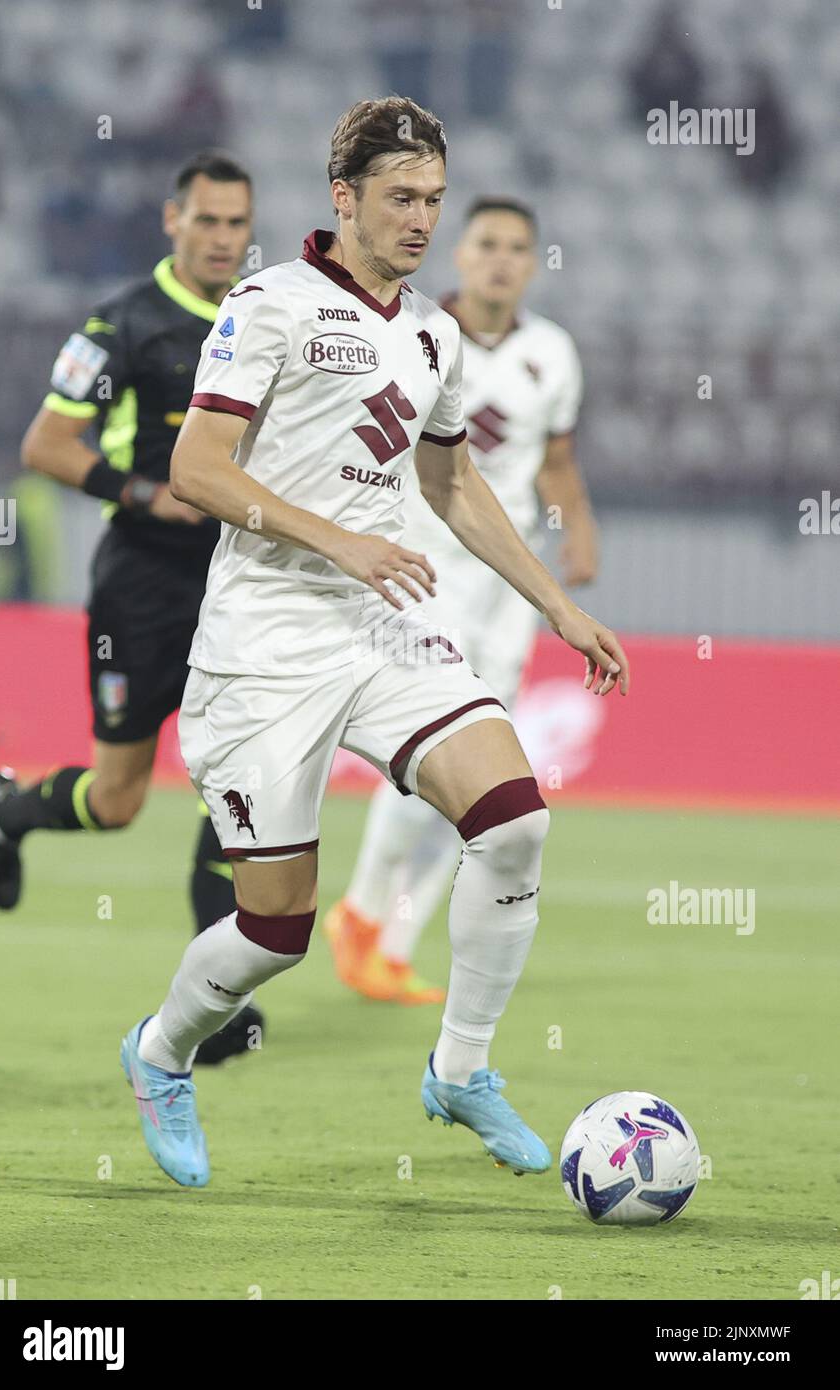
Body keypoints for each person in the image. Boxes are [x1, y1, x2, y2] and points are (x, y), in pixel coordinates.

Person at [119, 97, 628, 1189]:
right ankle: (160, 1052)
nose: (421, 219)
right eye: (400, 197)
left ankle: (460, 1068)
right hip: (267, 643)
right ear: (342, 196)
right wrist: (336, 538)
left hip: (388, 627)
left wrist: (554, 604)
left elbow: (449, 480)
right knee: (274, 932)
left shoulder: (434, 332)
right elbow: (196, 471)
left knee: (513, 821)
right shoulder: (270, 305)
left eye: (435, 200)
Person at [0, 151, 264, 1065]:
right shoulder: (122, 327)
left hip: (238, 583)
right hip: (141, 584)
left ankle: (211, 1007)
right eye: (207, 221)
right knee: (118, 798)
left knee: (243, 783)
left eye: (236, 223)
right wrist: (145, 494)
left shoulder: (269, 319)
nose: (223, 239)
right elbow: (46, 445)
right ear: (172, 222)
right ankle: (8, 811)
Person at [324, 196, 597, 1004]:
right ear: (460, 253)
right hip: (422, 569)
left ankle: (392, 943)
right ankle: (362, 917)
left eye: (518, 246)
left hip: (506, 582)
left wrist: (576, 526)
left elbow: (557, 458)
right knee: (429, 747)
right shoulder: (412, 334)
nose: (502, 259)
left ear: (531, 260)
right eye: (487, 243)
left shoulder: (553, 351)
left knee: (490, 765)